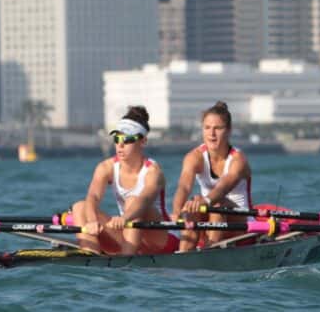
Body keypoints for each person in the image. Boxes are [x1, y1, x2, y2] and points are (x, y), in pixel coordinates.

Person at [68, 106, 176, 255]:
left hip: (161, 241)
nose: (120, 144)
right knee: (80, 207)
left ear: (143, 141)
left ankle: (126, 264)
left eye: (127, 139)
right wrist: (92, 221)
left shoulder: (153, 171)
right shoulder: (106, 167)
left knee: (132, 201)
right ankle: (89, 255)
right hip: (129, 235)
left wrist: (124, 218)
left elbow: (143, 200)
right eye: (117, 138)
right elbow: (94, 197)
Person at [172, 101, 252, 251]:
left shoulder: (238, 159)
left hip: (241, 221)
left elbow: (223, 187)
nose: (211, 134)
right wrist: (177, 212)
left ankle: (209, 250)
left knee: (216, 203)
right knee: (192, 205)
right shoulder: (194, 157)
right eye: (207, 128)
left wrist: (206, 201)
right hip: (209, 219)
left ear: (228, 130)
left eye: (218, 128)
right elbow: (184, 186)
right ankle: (183, 253)